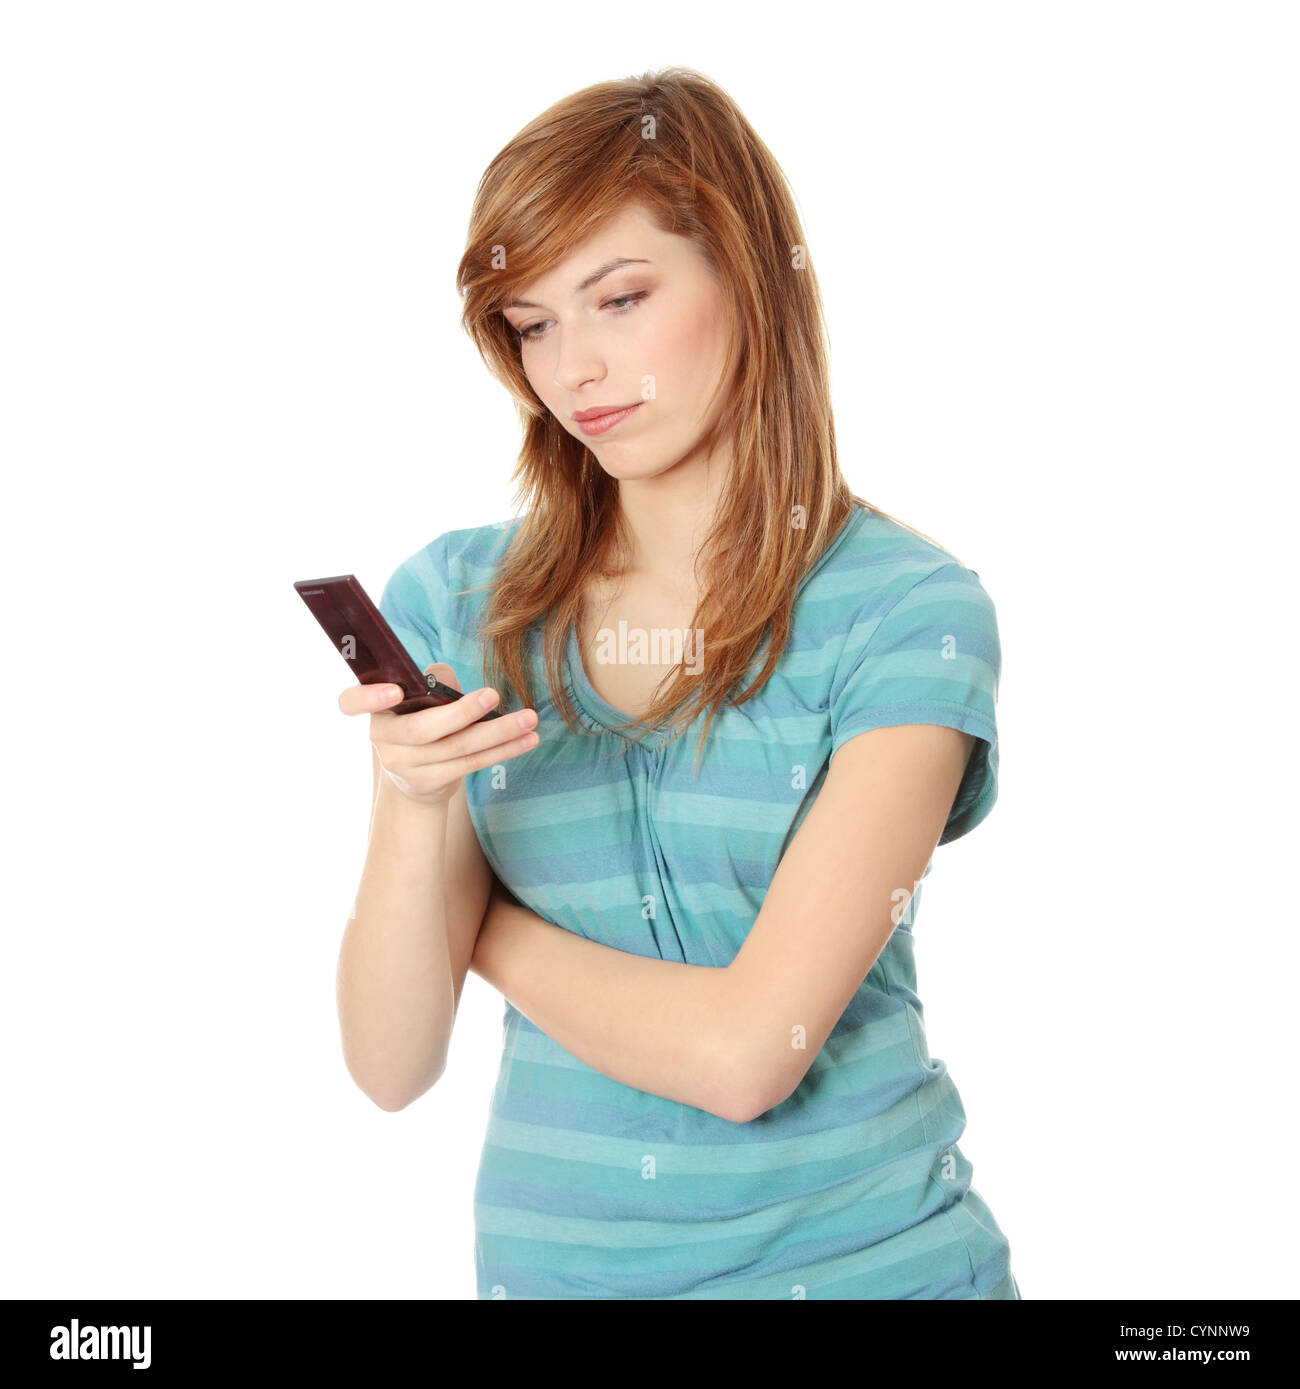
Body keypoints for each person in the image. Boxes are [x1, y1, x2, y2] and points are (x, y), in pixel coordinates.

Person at [337, 67, 1020, 1300]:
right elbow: (390, 1067)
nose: (575, 369)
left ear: (746, 278)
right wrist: (416, 803)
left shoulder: (905, 616)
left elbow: (749, 1054)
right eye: (533, 323)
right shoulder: (459, 604)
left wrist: (477, 925)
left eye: (621, 298)